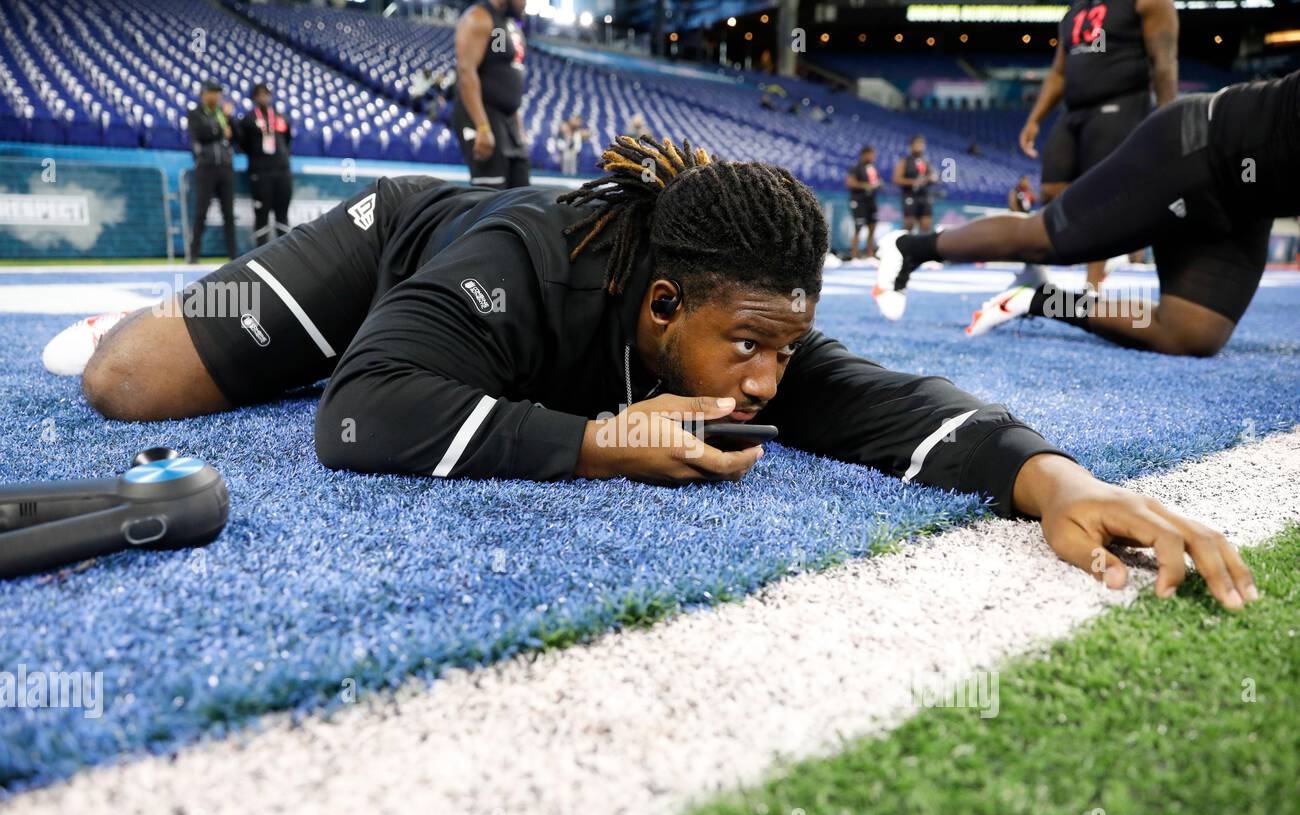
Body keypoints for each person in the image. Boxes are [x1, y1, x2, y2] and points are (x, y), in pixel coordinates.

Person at [62, 133, 1256, 611]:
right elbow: (361, 419)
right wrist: (597, 443)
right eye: (746, 348)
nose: (766, 381)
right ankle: (202, 303)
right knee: (129, 381)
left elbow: (896, 405)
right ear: (661, 305)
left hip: (462, 324)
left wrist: (1057, 482)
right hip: (396, 244)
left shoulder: (749, 323)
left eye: (785, 348)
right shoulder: (528, 263)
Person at [871, 70, 1298, 358]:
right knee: (1046, 239)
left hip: (1246, 204)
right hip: (1197, 146)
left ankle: (1035, 300)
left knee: (1194, 333)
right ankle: (910, 247)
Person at [1019, 0, 1179, 289]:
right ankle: (1036, 271)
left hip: (1120, 103)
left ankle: (1092, 285)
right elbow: (1058, 72)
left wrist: (1169, 117)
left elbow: (1164, 59)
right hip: (1076, 109)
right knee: (1050, 190)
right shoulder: (1075, 10)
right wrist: (1035, 118)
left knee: (1100, 193)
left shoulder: (1146, 2)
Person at [452, 0, 530, 189]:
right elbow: (466, 71)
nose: (526, 3)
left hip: (507, 121)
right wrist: (483, 127)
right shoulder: (478, 17)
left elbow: (500, 73)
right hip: (484, 115)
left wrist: (517, 125)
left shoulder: (505, 25)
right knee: (491, 196)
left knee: (521, 194)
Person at [236, 82, 293, 248]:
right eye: (260, 94)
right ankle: (261, 252)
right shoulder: (248, 119)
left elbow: (287, 140)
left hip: (282, 170)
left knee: (282, 213)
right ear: (254, 97)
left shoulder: (281, 117)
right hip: (260, 172)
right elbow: (242, 144)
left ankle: (286, 252)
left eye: (266, 93)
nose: (264, 97)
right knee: (262, 214)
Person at [186, 79, 237, 264]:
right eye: (212, 92)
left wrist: (229, 119)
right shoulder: (195, 114)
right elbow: (203, 134)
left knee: (229, 214)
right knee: (201, 212)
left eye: (218, 92)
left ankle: (234, 255)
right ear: (203, 94)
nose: (216, 96)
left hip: (225, 167)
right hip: (206, 168)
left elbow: (234, 136)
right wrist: (221, 129)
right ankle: (193, 254)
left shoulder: (223, 114)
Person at [892, 135, 937, 233]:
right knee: (909, 225)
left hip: (924, 196)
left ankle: (923, 248)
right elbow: (896, 179)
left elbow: (934, 177)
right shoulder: (904, 161)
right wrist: (914, 182)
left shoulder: (926, 162)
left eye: (922, 144)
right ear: (911, 146)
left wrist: (931, 179)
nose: (920, 146)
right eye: (917, 143)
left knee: (926, 226)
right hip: (910, 195)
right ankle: (905, 246)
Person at [844, 145, 881, 262]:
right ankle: (855, 255)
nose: (872, 157)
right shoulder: (855, 167)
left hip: (871, 201)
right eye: (870, 154)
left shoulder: (873, 168)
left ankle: (870, 254)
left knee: (872, 227)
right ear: (864, 155)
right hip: (859, 200)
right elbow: (849, 182)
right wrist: (866, 185)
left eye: (873, 155)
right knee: (858, 227)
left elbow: (875, 182)